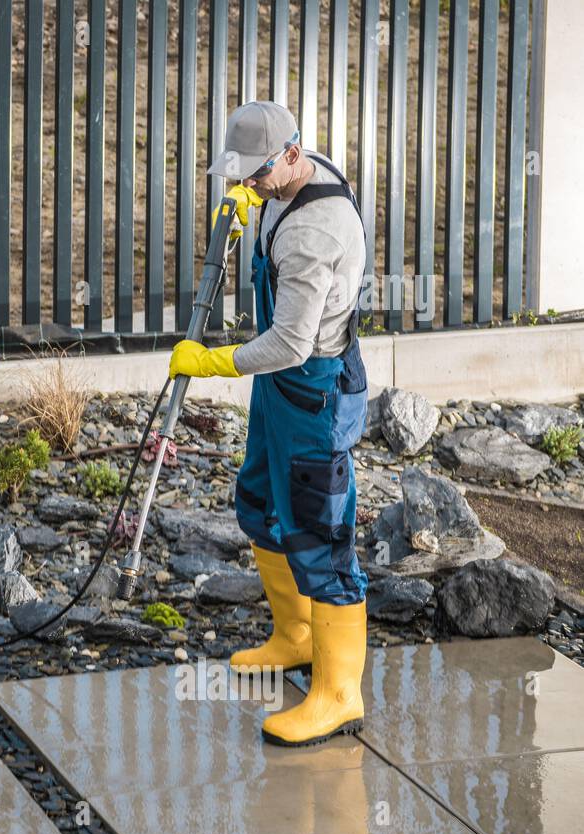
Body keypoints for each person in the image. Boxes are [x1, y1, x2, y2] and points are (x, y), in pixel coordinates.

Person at [168, 100, 370, 748]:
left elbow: (289, 343)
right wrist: (255, 208)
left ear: (291, 153)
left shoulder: (314, 233)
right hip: (279, 392)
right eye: (242, 175)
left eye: (256, 175)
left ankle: (339, 694)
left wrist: (212, 360)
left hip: (311, 389)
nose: (248, 185)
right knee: (258, 502)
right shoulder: (296, 177)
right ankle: (295, 636)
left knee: (320, 533)